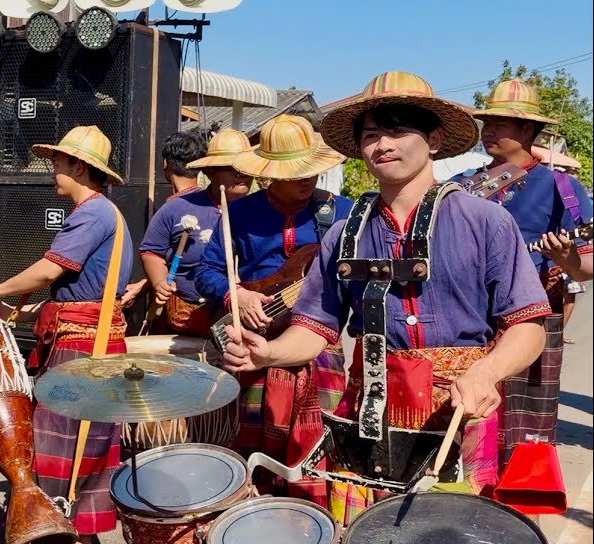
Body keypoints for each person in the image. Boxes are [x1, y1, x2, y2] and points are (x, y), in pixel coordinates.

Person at [225, 71, 549, 525]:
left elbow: (528, 324)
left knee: (451, 532)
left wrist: (488, 372)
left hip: (460, 410)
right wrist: (270, 352)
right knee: (365, 532)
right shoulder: (344, 233)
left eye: (398, 131)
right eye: (372, 135)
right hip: (367, 414)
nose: (383, 145)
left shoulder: (485, 221)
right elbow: (315, 327)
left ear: (434, 140)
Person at [0, 126, 131, 541]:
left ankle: (53, 530)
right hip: (89, 338)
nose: (53, 171)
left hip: (84, 348)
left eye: (58, 164)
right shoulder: (105, 213)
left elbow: (51, 270)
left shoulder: (92, 213)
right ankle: (76, 532)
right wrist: (25, 311)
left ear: (79, 167)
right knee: (84, 449)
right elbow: (80, 294)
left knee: (63, 449)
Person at [194, 114, 352, 503]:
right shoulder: (240, 213)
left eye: (310, 170)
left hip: (318, 346)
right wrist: (238, 297)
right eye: (293, 172)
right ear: (269, 174)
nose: (306, 179)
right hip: (254, 343)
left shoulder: (344, 213)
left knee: (320, 446)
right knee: (250, 444)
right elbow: (206, 272)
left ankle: (314, 519)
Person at [460, 79, 592, 466]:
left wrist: (566, 259)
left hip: (533, 316)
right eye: (489, 123)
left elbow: (585, 269)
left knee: (524, 433)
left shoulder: (562, 188)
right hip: (469, 316)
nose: (491, 131)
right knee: (464, 417)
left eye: (502, 124)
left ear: (528, 131)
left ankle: (519, 518)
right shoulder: (462, 186)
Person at [140, 128, 253, 336]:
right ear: (210, 172)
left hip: (246, 322)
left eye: (246, 167)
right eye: (232, 168)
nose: (241, 174)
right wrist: (159, 282)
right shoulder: (177, 208)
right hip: (186, 322)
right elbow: (151, 250)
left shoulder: (261, 211)